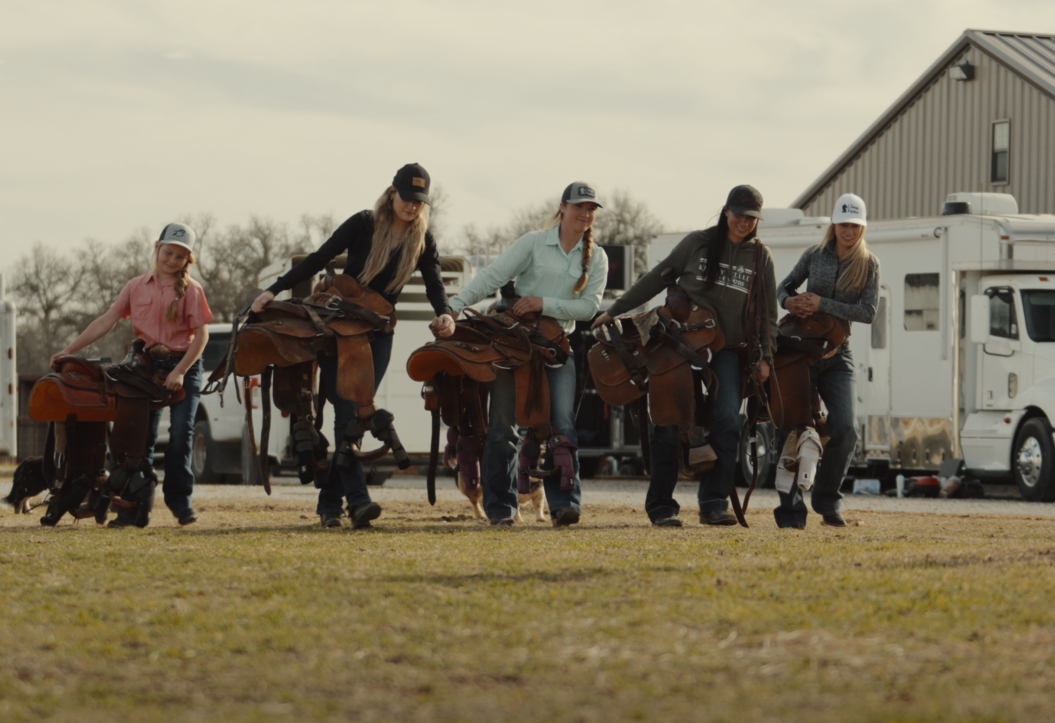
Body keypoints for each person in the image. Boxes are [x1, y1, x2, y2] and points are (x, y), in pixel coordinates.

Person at [249, 163, 450, 530]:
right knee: (349, 413)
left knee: (357, 412)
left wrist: (445, 314)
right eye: (407, 198)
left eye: (419, 201)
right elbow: (319, 258)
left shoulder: (423, 239)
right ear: (392, 192)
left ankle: (329, 504)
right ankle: (358, 501)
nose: (412, 206)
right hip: (339, 329)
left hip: (379, 330)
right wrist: (274, 289)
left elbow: (435, 283)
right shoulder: (363, 223)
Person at [593, 185, 777, 527]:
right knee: (668, 420)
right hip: (679, 341)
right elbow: (656, 277)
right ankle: (661, 506)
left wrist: (766, 355)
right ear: (726, 211)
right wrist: (615, 310)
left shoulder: (759, 256)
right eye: (739, 215)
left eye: (751, 218)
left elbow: (768, 312)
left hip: (728, 350)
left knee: (728, 420)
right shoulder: (698, 243)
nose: (744, 222)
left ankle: (714, 503)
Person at [434, 181, 608, 527]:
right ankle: (501, 507)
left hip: (557, 347)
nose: (585, 213)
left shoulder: (598, 257)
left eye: (590, 208)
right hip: (514, 345)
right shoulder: (533, 242)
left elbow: (590, 307)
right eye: (579, 206)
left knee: (563, 426)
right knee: (502, 427)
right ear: (562, 207)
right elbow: (492, 276)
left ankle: (565, 505)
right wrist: (453, 307)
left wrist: (543, 303)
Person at [50, 223, 214, 527]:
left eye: (180, 256)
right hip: (145, 368)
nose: (172, 260)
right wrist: (68, 351)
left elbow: (201, 336)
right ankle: (131, 507)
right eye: (168, 252)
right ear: (157, 248)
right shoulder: (135, 286)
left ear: (187, 259)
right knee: (140, 439)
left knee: (181, 434)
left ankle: (181, 502)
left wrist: (180, 371)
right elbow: (106, 321)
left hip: (184, 365)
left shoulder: (192, 289)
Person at [772, 193, 879, 529]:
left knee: (846, 429)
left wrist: (822, 304)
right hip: (800, 355)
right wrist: (789, 302)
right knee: (791, 429)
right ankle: (791, 511)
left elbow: (868, 312)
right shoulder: (814, 255)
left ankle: (827, 499)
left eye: (855, 225)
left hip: (837, 355)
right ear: (834, 224)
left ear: (862, 228)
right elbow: (783, 287)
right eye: (844, 224)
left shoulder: (869, 264)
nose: (849, 231)